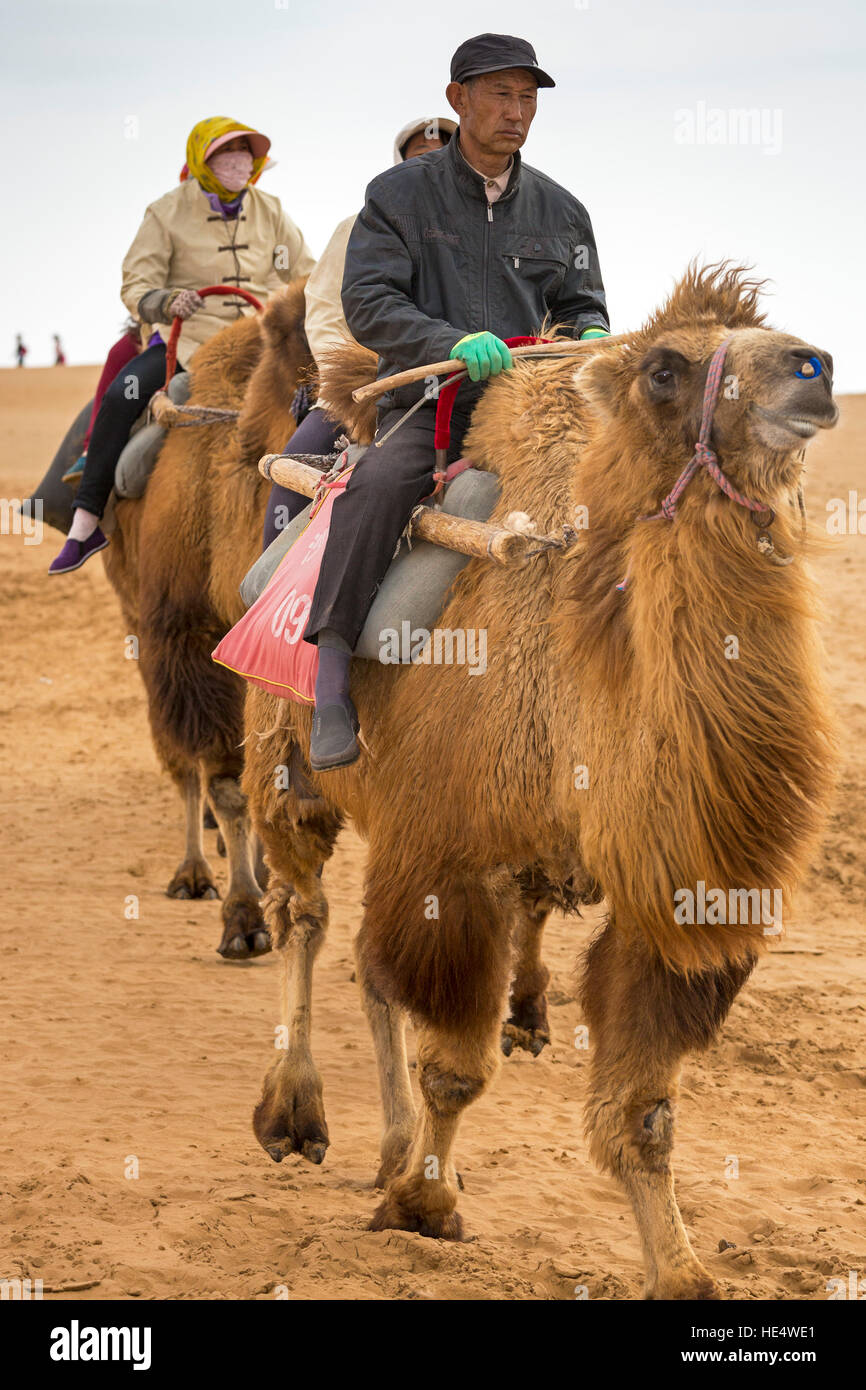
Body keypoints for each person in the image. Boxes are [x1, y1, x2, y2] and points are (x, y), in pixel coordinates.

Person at [304, 32, 609, 770]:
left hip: (534, 403)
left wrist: (594, 336)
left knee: (622, 491)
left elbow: (583, 303)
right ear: (458, 100)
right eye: (501, 94)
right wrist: (449, 342)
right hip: (429, 396)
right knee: (377, 484)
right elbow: (368, 301)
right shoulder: (398, 195)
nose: (516, 111)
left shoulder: (563, 211)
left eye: (527, 97)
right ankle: (331, 679)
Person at [49, 116, 315, 575]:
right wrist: (167, 300)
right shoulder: (166, 211)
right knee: (121, 394)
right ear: (202, 159)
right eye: (226, 154)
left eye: (245, 154)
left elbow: (304, 270)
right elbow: (136, 282)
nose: (238, 162)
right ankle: (86, 520)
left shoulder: (270, 209)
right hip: (189, 342)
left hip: (259, 338)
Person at [261, 115, 457, 551]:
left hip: (458, 385)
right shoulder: (358, 226)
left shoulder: (476, 232)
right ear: (398, 167)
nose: (431, 166)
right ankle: (270, 592)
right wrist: (352, 380)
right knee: (295, 469)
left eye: (442, 156)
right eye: (419, 158)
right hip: (364, 384)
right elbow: (327, 308)